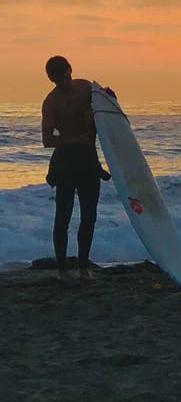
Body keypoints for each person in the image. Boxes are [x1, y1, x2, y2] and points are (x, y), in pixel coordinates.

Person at [41, 56, 110, 282]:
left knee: (89, 215)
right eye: (58, 80)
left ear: (70, 70)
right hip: (65, 163)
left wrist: (109, 98)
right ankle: (62, 270)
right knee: (63, 215)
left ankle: (83, 268)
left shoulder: (85, 88)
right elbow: (47, 140)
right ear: (51, 79)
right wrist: (75, 139)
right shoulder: (51, 103)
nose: (64, 83)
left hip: (89, 160)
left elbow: (104, 110)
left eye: (66, 76)